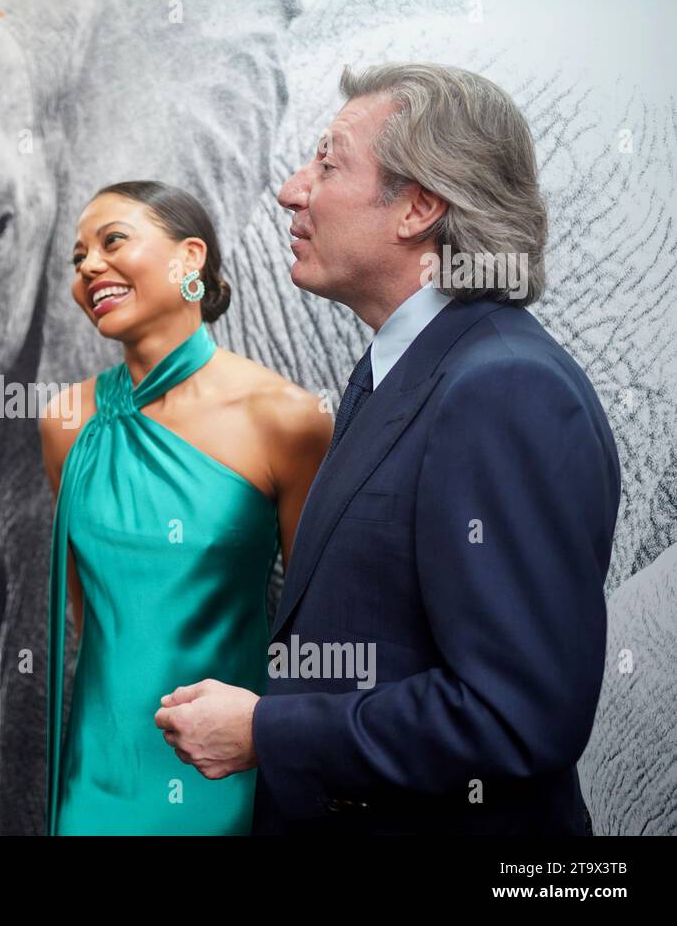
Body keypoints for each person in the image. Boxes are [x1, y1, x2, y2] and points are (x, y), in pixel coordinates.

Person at [157, 63, 620, 835]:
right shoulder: (402, 373)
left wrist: (264, 730)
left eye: (328, 162)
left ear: (419, 207)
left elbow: (517, 715)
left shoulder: (502, 389)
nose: (291, 190)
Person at [40, 180, 331, 834]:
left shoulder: (287, 419)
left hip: (227, 775)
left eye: (113, 241)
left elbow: (312, 624)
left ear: (189, 257)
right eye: (78, 257)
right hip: (98, 772)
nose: (88, 266)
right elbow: (92, 615)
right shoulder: (65, 420)